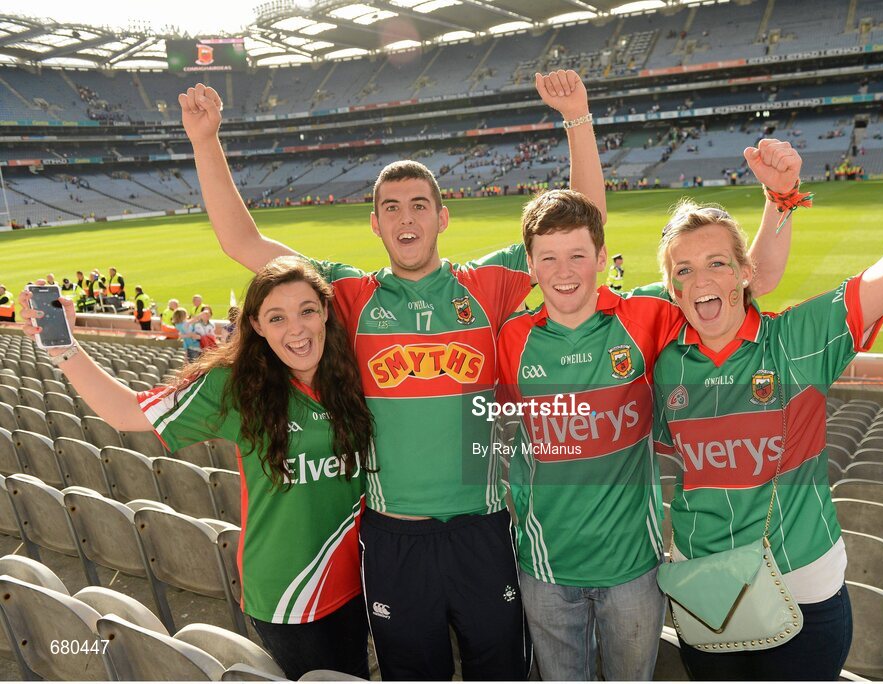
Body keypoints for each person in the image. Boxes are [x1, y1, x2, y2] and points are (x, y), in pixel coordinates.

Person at [178, 70, 604, 680]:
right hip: (394, 539)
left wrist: (577, 119)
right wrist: (205, 139)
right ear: (375, 224)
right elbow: (241, 240)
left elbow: (581, 221)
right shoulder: (348, 294)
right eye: (391, 208)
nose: (407, 219)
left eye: (420, 206)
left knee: (501, 671)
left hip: (483, 528)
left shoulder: (489, 285)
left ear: (443, 217)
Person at [652, 86, 883, 681]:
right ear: (671, 289)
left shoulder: (800, 339)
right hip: (703, 595)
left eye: (718, 262)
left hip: (802, 596)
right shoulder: (662, 357)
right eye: (684, 270)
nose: (702, 280)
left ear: (745, 274)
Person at [495, 138, 797, 681]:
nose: (564, 272)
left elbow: (749, 283)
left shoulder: (644, 315)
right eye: (549, 258)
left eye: (577, 255)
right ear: (531, 265)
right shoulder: (510, 338)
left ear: (600, 256)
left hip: (634, 569)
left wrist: (780, 200)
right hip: (543, 568)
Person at [19, 258, 376, 680]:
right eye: (276, 317)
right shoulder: (236, 387)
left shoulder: (355, 371)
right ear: (257, 327)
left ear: (325, 313)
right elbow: (125, 412)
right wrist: (65, 348)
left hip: (360, 576)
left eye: (307, 310)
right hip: (290, 592)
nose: (296, 328)